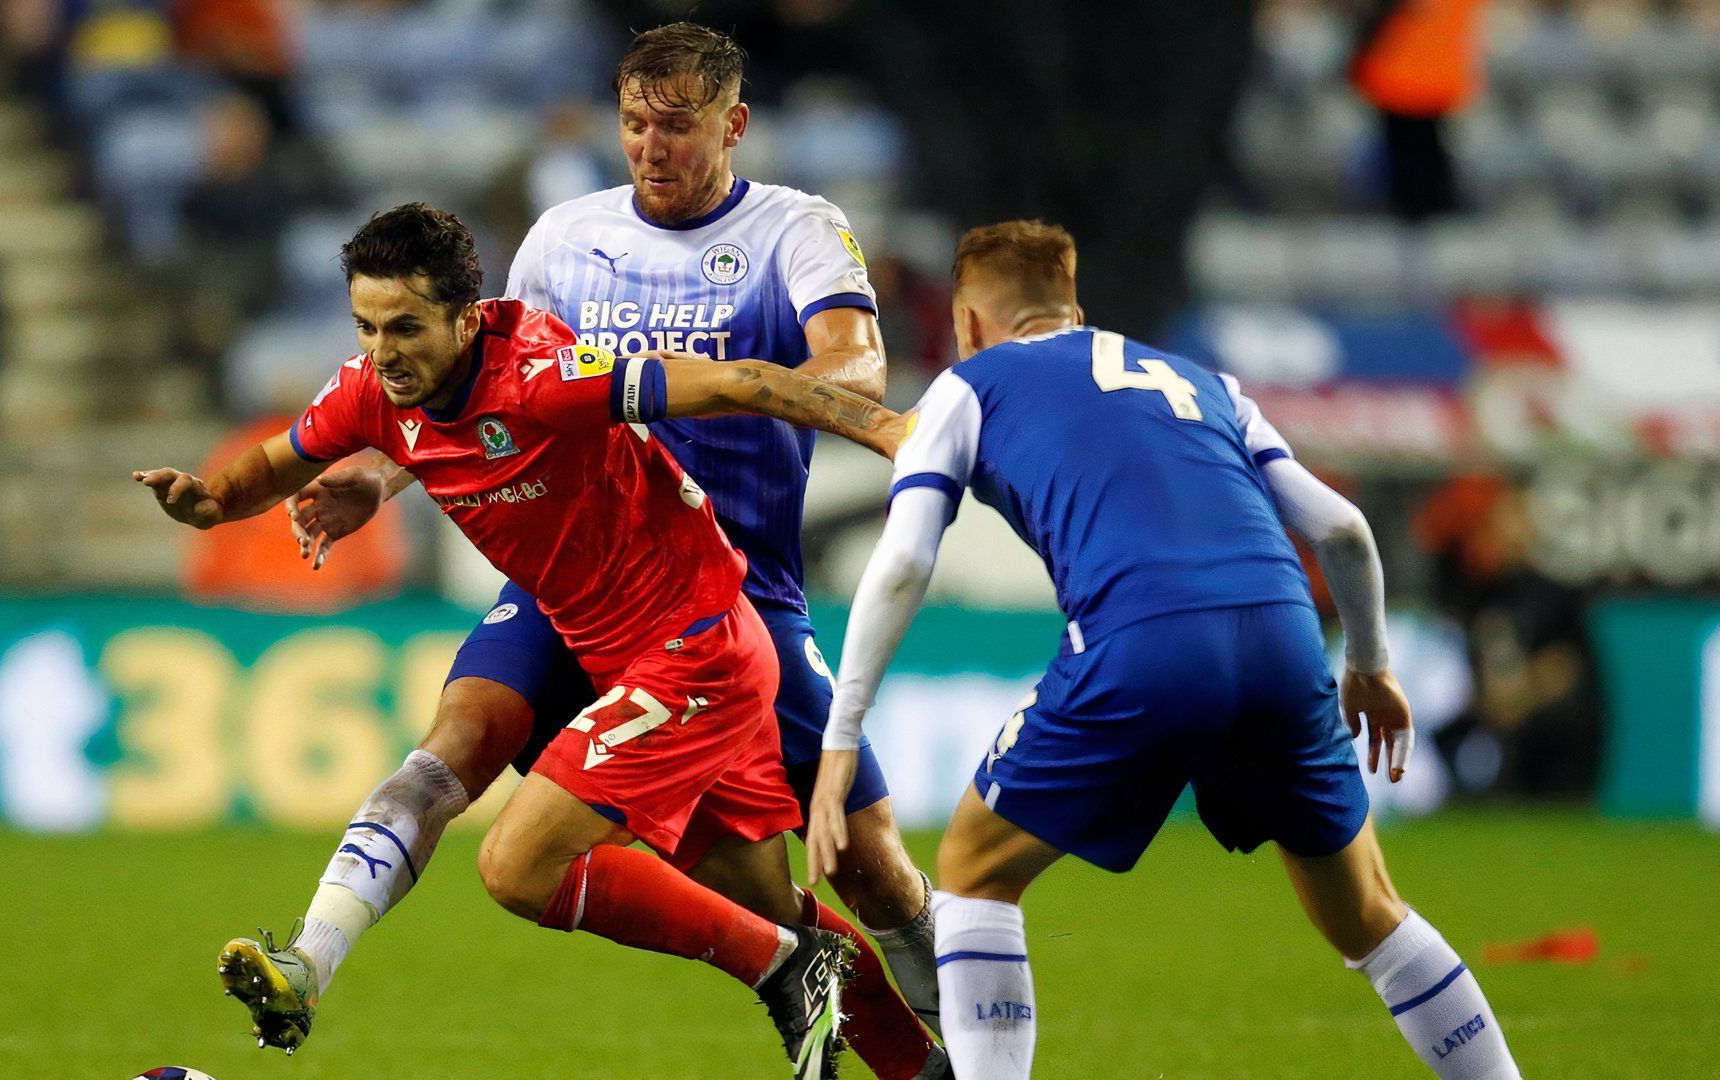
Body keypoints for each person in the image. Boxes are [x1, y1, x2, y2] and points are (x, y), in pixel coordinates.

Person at [278, 22, 946, 1074]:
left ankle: (949, 1047)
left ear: (733, 125)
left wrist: (712, 377)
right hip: (570, 577)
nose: (650, 147)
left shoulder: (795, 230)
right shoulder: (566, 236)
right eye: (634, 123)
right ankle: (308, 959)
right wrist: (379, 471)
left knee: (851, 874)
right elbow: (478, 389)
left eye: (676, 126)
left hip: (733, 591)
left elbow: (853, 367)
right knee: (457, 742)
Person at [134, 203, 926, 1078]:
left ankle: (818, 987)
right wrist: (209, 502)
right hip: (570, 623)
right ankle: (308, 963)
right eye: (366, 327)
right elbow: (278, 460)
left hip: (693, 645)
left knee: (586, 875)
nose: (383, 351)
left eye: (405, 327)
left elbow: (742, 382)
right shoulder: (369, 388)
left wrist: (890, 430)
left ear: (466, 317)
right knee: (448, 750)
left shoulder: (551, 376)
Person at [805, 220, 1522, 1080]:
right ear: (1077, 308)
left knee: (972, 868)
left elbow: (908, 556)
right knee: (1368, 910)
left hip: (1143, 637)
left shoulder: (971, 383)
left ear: (967, 324)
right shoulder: (1206, 381)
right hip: (1285, 635)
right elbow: (1342, 524)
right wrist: (1370, 665)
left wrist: (842, 734)